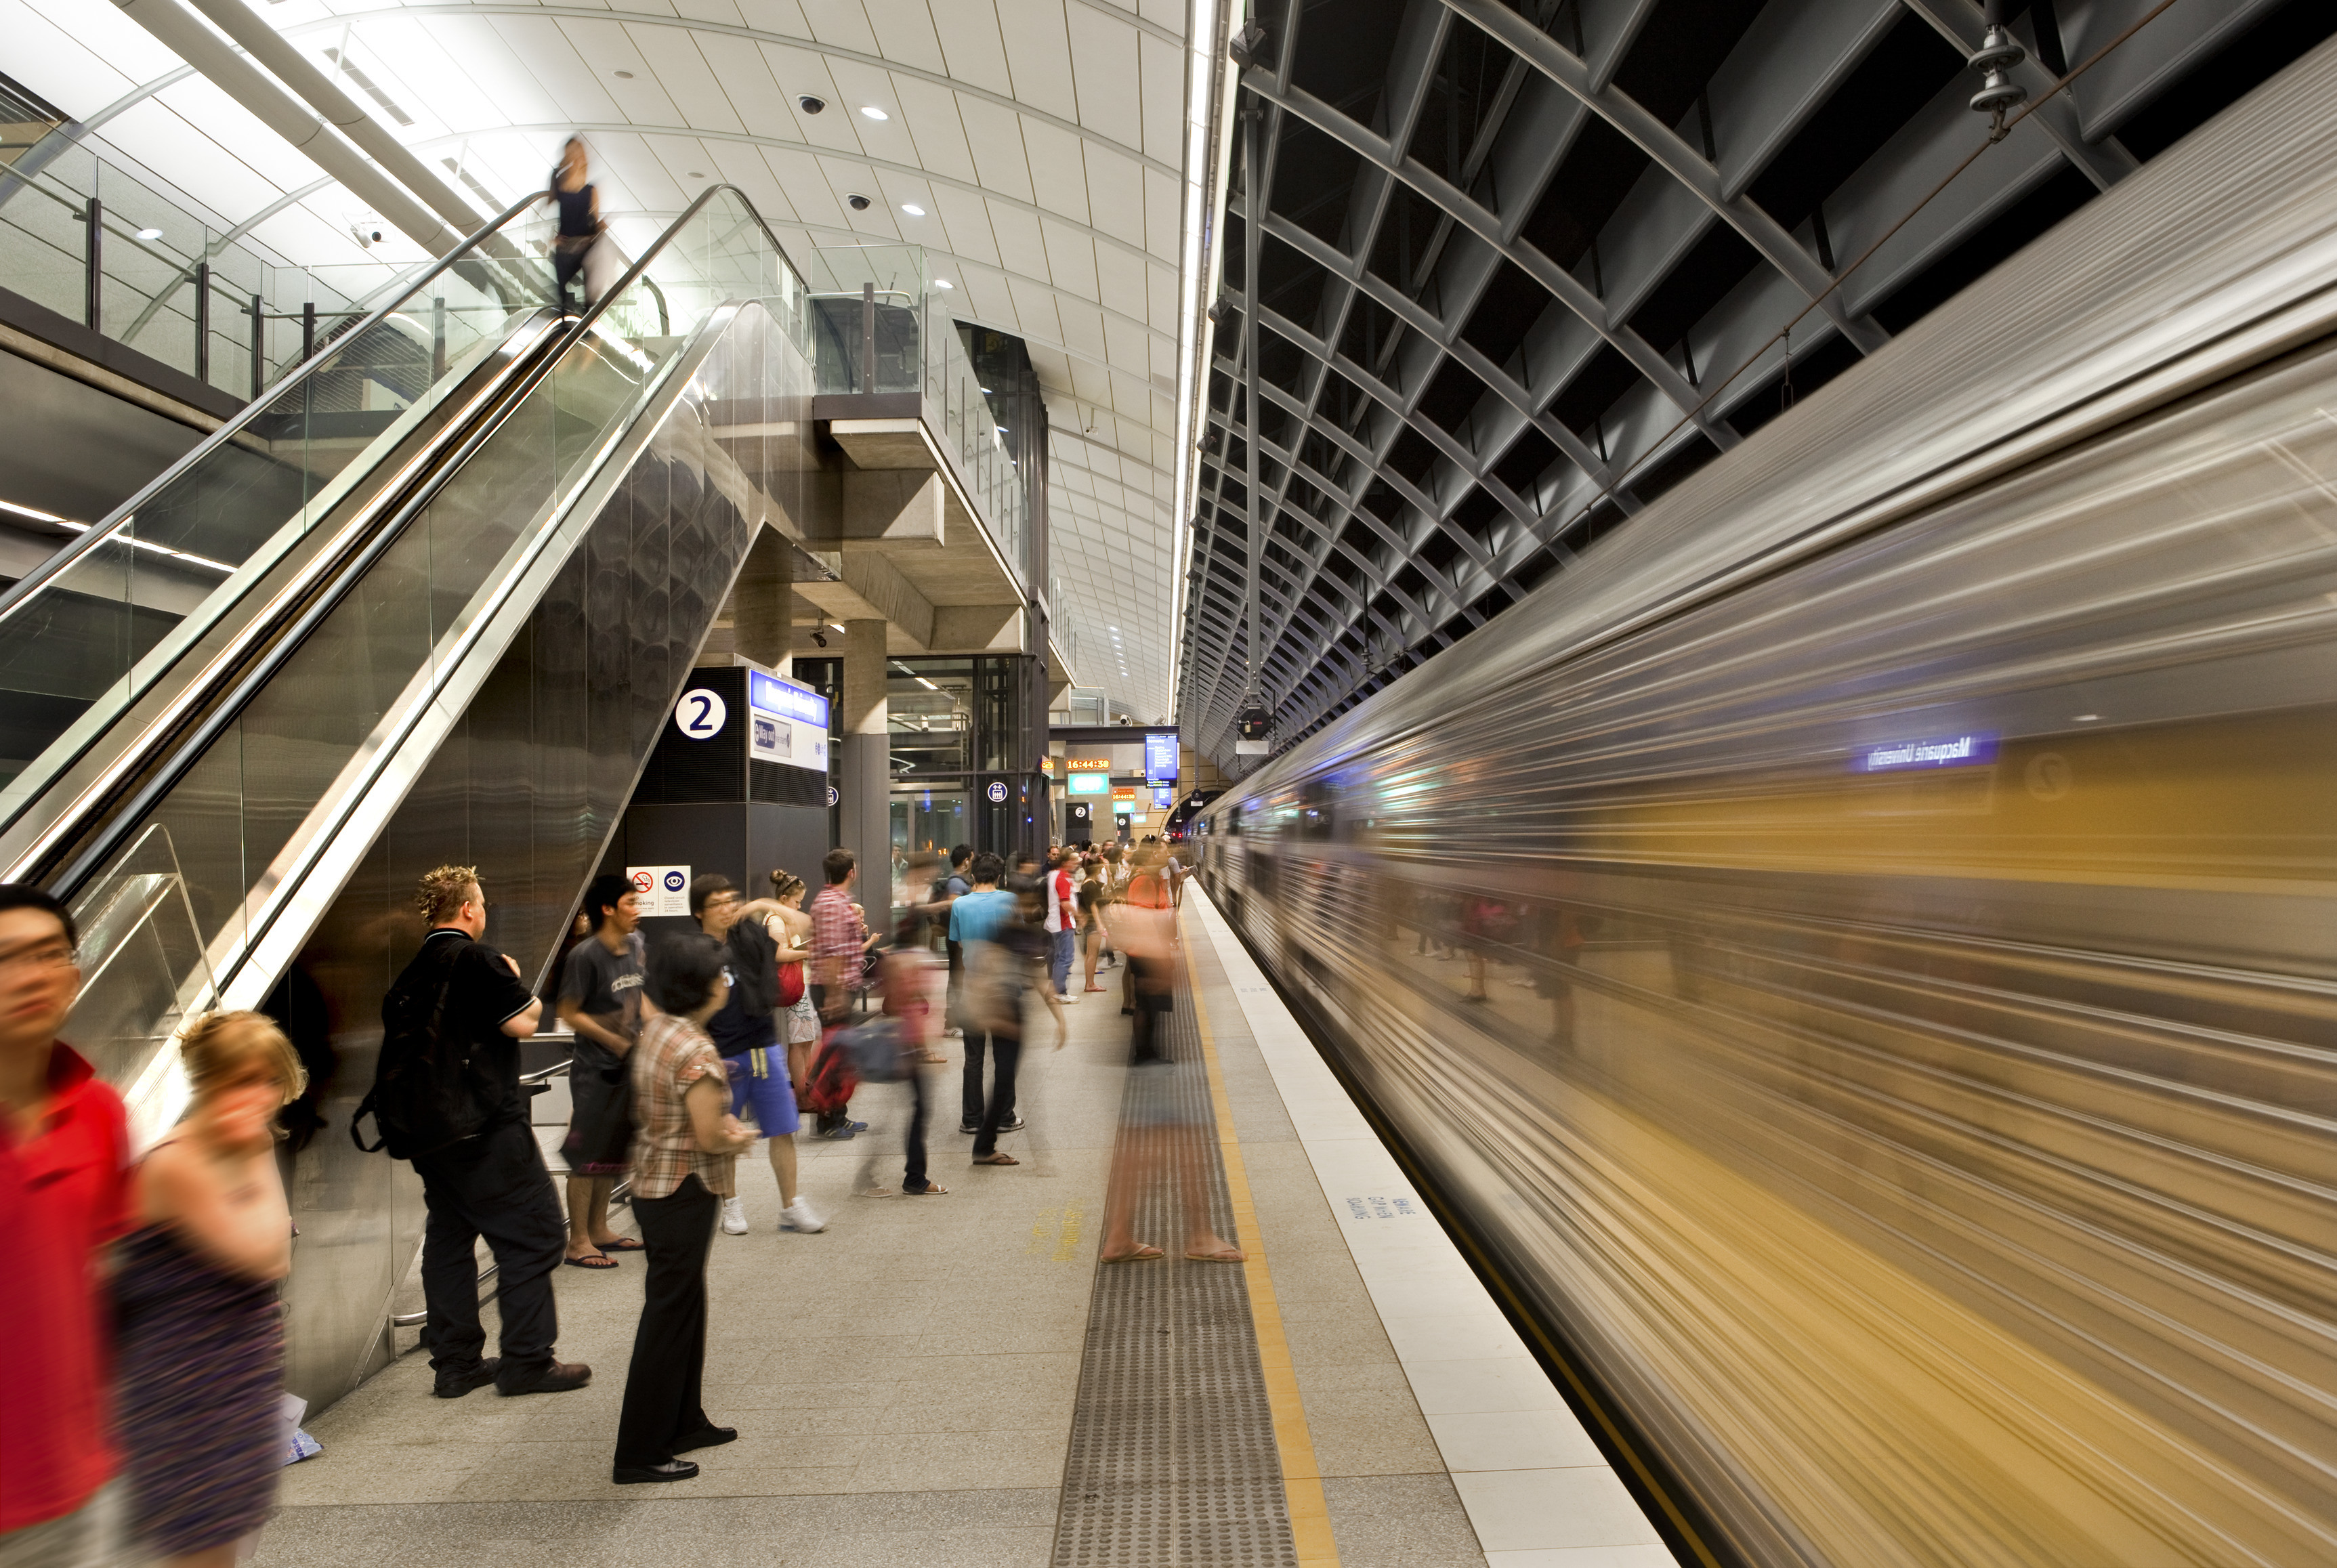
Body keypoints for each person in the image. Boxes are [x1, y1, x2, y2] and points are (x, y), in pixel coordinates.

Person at [385, 866, 588, 1399]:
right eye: (483, 904)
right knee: (536, 1234)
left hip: (428, 1133)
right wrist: (516, 980)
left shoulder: (412, 971)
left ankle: (456, 1363)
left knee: (450, 1238)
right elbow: (523, 1021)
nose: (485, 912)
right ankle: (528, 1360)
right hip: (485, 1128)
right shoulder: (479, 959)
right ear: (468, 908)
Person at [115, 1011, 302, 1567]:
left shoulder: (226, 1150)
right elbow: (270, 1256)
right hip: (184, 1396)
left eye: (270, 1079)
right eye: (241, 1081)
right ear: (206, 1083)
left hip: (235, 1382)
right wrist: (258, 1150)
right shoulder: (177, 1162)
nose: (260, 1096)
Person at [1, 884, 131, 1567]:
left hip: (76, 1484)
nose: (32, 975)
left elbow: (103, 1276)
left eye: (49, 954)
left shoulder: (99, 1112)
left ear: (75, 976)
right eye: (5, 957)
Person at [612, 933, 758, 1485]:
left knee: (683, 1305)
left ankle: (684, 1419)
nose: (726, 983)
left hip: (656, 1182)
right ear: (699, 986)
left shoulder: (659, 1029)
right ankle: (641, 1450)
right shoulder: (695, 1049)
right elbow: (709, 1135)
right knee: (669, 1317)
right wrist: (741, 1136)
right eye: (720, 975)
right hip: (684, 1188)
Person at [694, 875, 823, 1237]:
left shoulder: (747, 935)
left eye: (730, 901)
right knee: (725, 1135)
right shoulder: (696, 952)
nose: (727, 909)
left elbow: (806, 924)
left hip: (763, 1044)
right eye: (717, 904)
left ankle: (791, 1205)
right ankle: (731, 1204)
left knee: (783, 1128)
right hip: (721, 1052)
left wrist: (762, 905)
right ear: (699, 912)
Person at [556, 873, 646, 1270]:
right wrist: (613, 1041)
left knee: (612, 1151)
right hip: (595, 1069)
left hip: (627, 1065)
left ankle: (599, 1228)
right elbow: (569, 1012)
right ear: (608, 909)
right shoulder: (585, 956)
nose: (638, 910)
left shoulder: (634, 946)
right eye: (631, 903)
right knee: (588, 1156)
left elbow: (637, 996)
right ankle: (578, 1241)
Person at [949, 854, 1020, 1139]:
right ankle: (1005, 1116)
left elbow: (958, 945)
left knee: (973, 1059)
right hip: (1004, 989)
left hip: (972, 989)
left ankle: (971, 1119)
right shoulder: (1011, 901)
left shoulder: (959, 904)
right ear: (1000, 876)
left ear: (973, 876)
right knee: (1004, 1058)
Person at [807, 849, 877, 1139]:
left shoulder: (833, 901)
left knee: (841, 1053)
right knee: (834, 1056)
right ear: (852, 872)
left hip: (838, 987)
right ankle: (826, 1121)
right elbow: (833, 953)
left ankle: (838, 1115)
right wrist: (835, 996)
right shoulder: (833, 904)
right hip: (833, 990)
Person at [545, 137, 603, 315]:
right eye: (571, 154)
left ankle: (587, 316)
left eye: (578, 154)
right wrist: (553, 239)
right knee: (561, 293)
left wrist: (601, 227)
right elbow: (547, 206)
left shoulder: (591, 190)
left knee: (589, 273)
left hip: (583, 246)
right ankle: (566, 316)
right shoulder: (559, 181)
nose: (575, 159)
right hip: (564, 246)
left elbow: (594, 225)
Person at [1043, 849, 1080, 1005]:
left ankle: (1054, 990)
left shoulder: (1053, 874)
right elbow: (1065, 904)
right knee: (1065, 958)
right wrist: (1081, 915)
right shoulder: (1063, 878)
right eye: (1073, 860)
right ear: (1066, 862)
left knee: (1059, 958)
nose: (1076, 863)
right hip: (1063, 923)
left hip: (1055, 922)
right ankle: (1060, 992)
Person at [1079, 862, 1108, 994]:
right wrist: (1099, 923)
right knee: (1092, 955)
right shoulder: (1090, 885)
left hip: (1090, 922)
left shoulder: (1088, 883)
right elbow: (1093, 906)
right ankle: (1090, 984)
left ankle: (1089, 983)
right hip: (1093, 923)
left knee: (1090, 955)